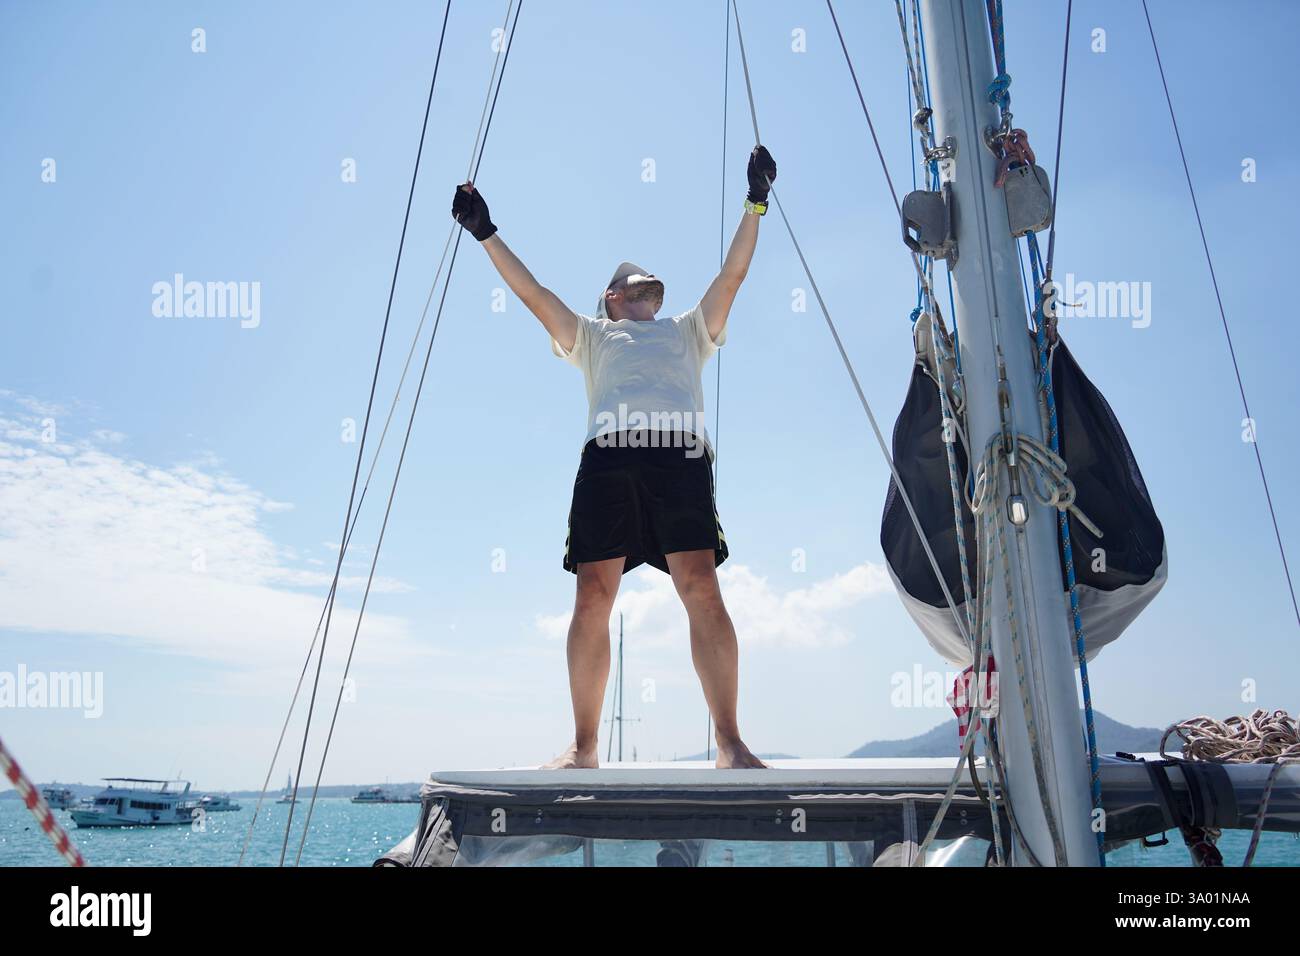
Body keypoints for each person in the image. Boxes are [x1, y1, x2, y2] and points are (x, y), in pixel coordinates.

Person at [452, 145, 777, 769]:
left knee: (701, 589)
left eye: (652, 282)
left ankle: (730, 743)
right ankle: (584, 746)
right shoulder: (594, 337)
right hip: (608, 460)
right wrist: (485, 231)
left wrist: (756, 200)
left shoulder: (686, 330)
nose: (648, 285)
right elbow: (534, 294)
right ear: (610, 296)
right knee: (593, 597)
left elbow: (731, 277)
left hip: (679, 460)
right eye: (635, 280)